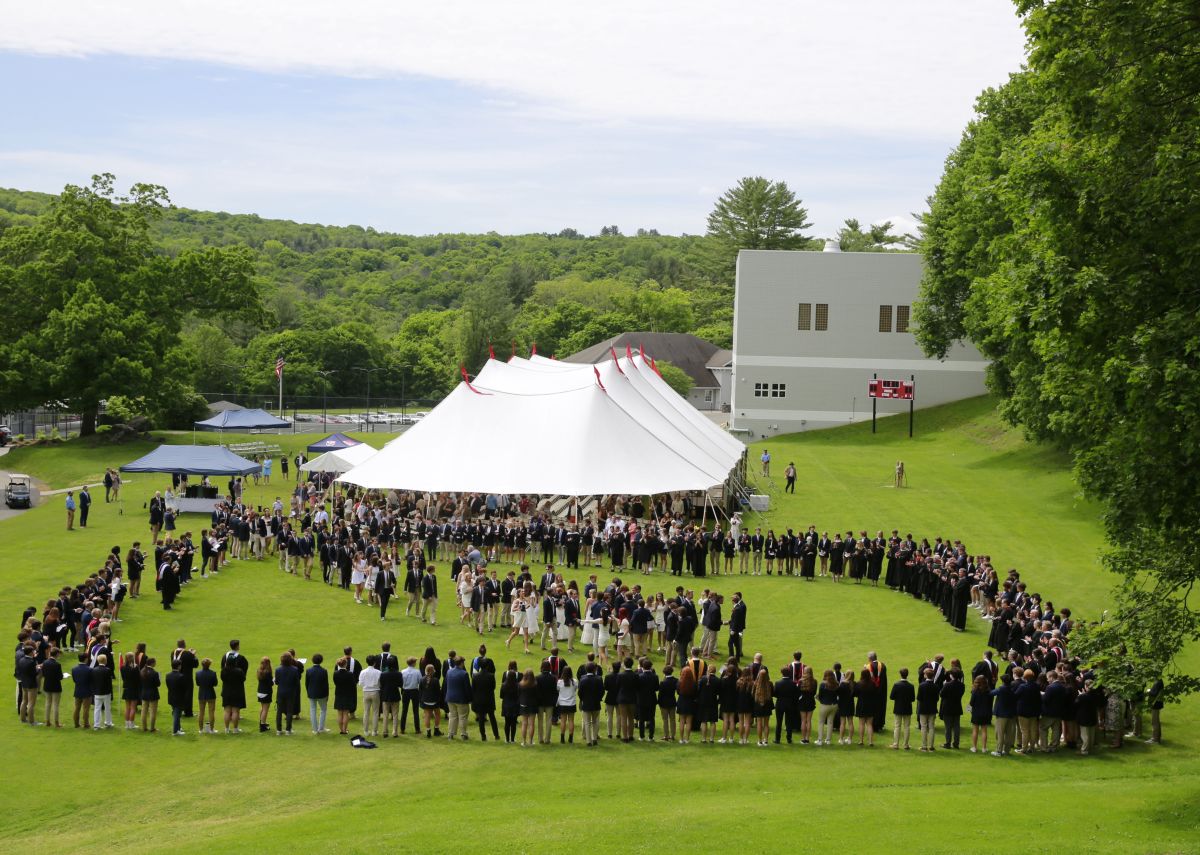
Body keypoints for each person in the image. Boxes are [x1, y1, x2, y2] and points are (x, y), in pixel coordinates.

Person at [444, 657, 472, 741]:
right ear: (461, 663)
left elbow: (446, 684)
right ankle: (463, 734)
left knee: (452, 716)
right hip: (461, 699)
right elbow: (467, 688)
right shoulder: (464, 674)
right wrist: (470, 699)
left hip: (450, 698)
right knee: (463, 717)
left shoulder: (449, 672)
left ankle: (450, 734)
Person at [472, 659, 499, 741]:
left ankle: (483, 736)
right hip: (489, 699)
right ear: (487, 666)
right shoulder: (491, 676)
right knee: (492, 717)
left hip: (479, 700)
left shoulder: (475, 676)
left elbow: (473, 689)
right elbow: (493, 687)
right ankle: (496, 735)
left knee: (481, 719)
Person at [889, 667, 915, 750]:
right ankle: (906, 744)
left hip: (898, 708)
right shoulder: (911, 686)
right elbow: (913, 699)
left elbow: (891, 697)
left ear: (900, 674)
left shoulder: (897, 685)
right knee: (907, 726)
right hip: (907, 708)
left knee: (897, 726)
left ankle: (896, 744)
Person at [939, 669, 965, 749]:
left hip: (947, 707)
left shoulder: (947, 684)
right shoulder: (962, 685)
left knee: (948, 727)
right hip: (957, 707)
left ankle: (947, 743)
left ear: (952, 675)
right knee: (956, 726)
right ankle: (956, 743)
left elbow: (941, 694)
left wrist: (944, 686)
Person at [305, 653, 329, 735]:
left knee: (313, 710)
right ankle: (321, 728)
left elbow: (306, 683)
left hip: (312, 693)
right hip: (322, 694)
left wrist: (308, 692)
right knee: (323, 710)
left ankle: (315, 730)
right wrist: (327, 695)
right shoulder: (324, 671)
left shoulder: (308, 671)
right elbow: (326, 684)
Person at [968, 674, 992, 753]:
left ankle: (974, 747)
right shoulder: (989, 691)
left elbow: (971, 703)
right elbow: (990, 703)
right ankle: (984, 748)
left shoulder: (975, 691)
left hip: (976, 713)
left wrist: (968, 710)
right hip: (986, 713)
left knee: (975, 730)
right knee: (984, 730)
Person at [165, 658, 188, 735]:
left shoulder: (168, 675)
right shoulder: (181, 676)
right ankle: (175, 731)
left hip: (171, 696)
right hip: (179, 698)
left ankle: (178, 728)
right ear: (179, 666)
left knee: (176, 713)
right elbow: (184, 688)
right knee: (177, 715)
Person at [556, 665, 578, 744]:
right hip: (571, 703)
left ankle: (562, 739)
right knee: (571, 721)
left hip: (562, 704)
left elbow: (558, 690)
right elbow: (575, 689)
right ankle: (570, 739)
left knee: (563, 721)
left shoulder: (559, 682)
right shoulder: (574, 681)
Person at [92, 653, 114, 729]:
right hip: (106, 692)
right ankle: (108, 722)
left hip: (97, 692)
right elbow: (109, 683)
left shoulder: (94, 670)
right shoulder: (107, 670)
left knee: (97, 708)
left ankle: (96, 724)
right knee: (107, 708)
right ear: (105, 661)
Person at [196, 658, 218, 734]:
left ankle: (201, 730)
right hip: (211, 694)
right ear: (209, 665)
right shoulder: (213, 673)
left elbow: (198, 683)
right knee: (211, 712)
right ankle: (212, 730)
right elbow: (215, 684)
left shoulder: (198, 673)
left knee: (201, 712)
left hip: (201, 694)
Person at [139, 657, 161, 732]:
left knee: (144, 710)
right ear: (152, 663)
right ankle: (152, 728)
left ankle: (144, 727)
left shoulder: (142, 671)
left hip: (144, 693)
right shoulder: (154, 673)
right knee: (152, 711)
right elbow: (158, 684)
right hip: (153, 694)